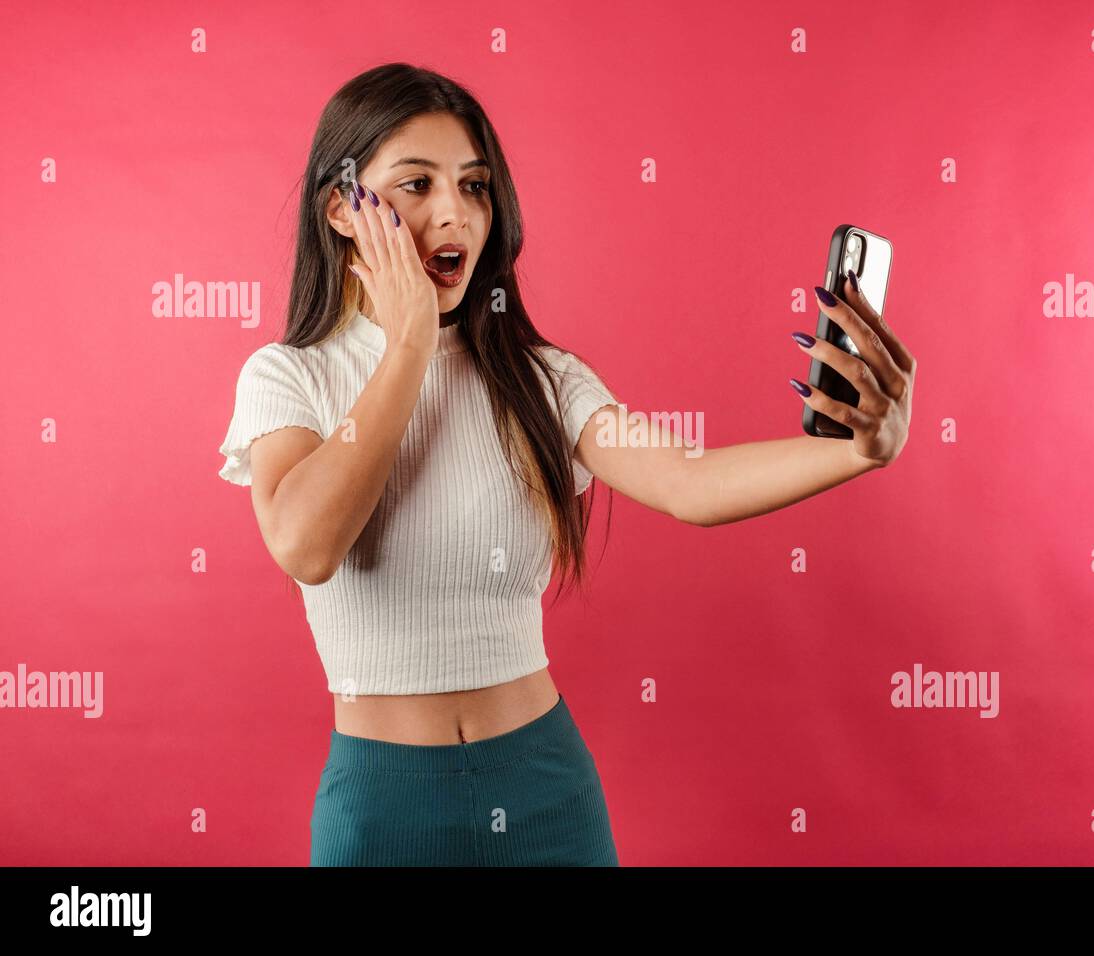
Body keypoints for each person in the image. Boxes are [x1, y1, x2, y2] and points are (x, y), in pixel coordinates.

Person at [216, 62, 917, 867]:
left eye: (474, 188)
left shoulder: (539, 376)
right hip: (384, 808)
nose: (453, 214)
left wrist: (857, 451)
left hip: (546, 788)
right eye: (416, 184)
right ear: (342, 207)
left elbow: (689, 483)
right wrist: (408, 340)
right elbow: (307, 545)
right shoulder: (288, 378)